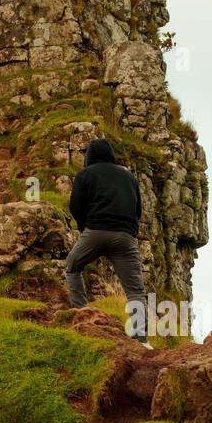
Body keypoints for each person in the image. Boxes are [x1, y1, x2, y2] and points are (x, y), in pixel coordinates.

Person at [65, 139, 150, 345]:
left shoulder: (85, 174)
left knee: (72, 267)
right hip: (125, 237)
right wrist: (129, 231)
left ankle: (81, 314)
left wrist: (85, 227)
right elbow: (138, 210)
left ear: (89, 157)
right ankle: (141, 339)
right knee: (135, 290)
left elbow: (75, 206)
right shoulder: (129, 177)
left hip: (96, 231)